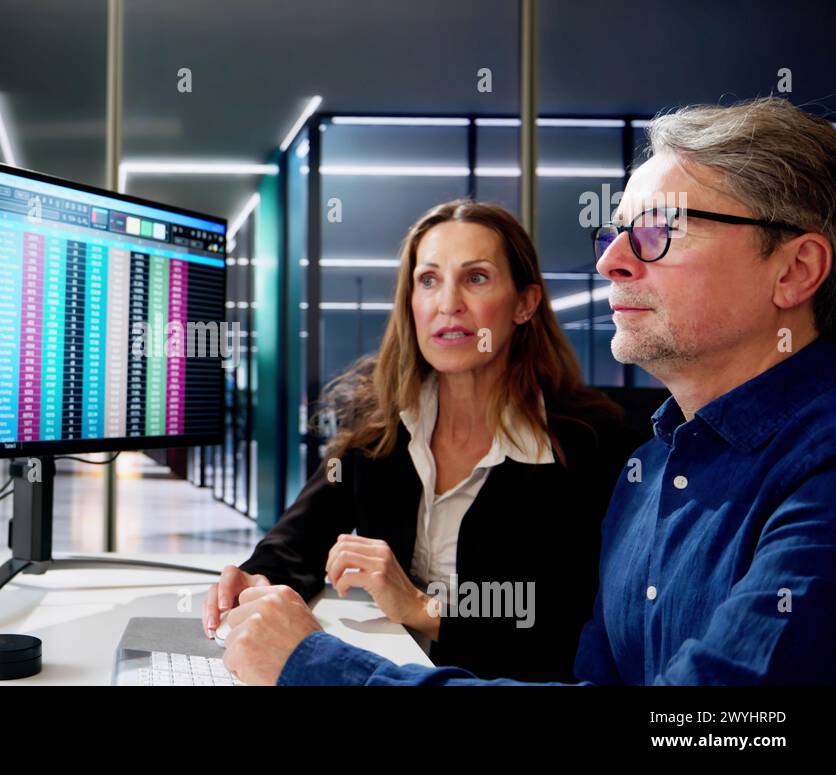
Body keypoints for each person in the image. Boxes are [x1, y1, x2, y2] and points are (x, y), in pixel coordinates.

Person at [219, 96, 836, 686]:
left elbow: (690, 729)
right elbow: (599, 674)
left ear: (795, 270)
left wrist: (333, 659)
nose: (609, 262)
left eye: (658, 231)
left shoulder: (605, 449)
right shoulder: (654, 466)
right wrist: (254, 583)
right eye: (427, 280)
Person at [203, 199, 637, 681]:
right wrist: (259, 575)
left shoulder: (587, 443)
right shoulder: (376, 421)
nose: (447, 303)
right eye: (428, 280)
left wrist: (423, 608)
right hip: (379, 670)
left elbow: (568, 630)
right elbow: (298, 538)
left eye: (475, 278)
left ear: (524, 304)